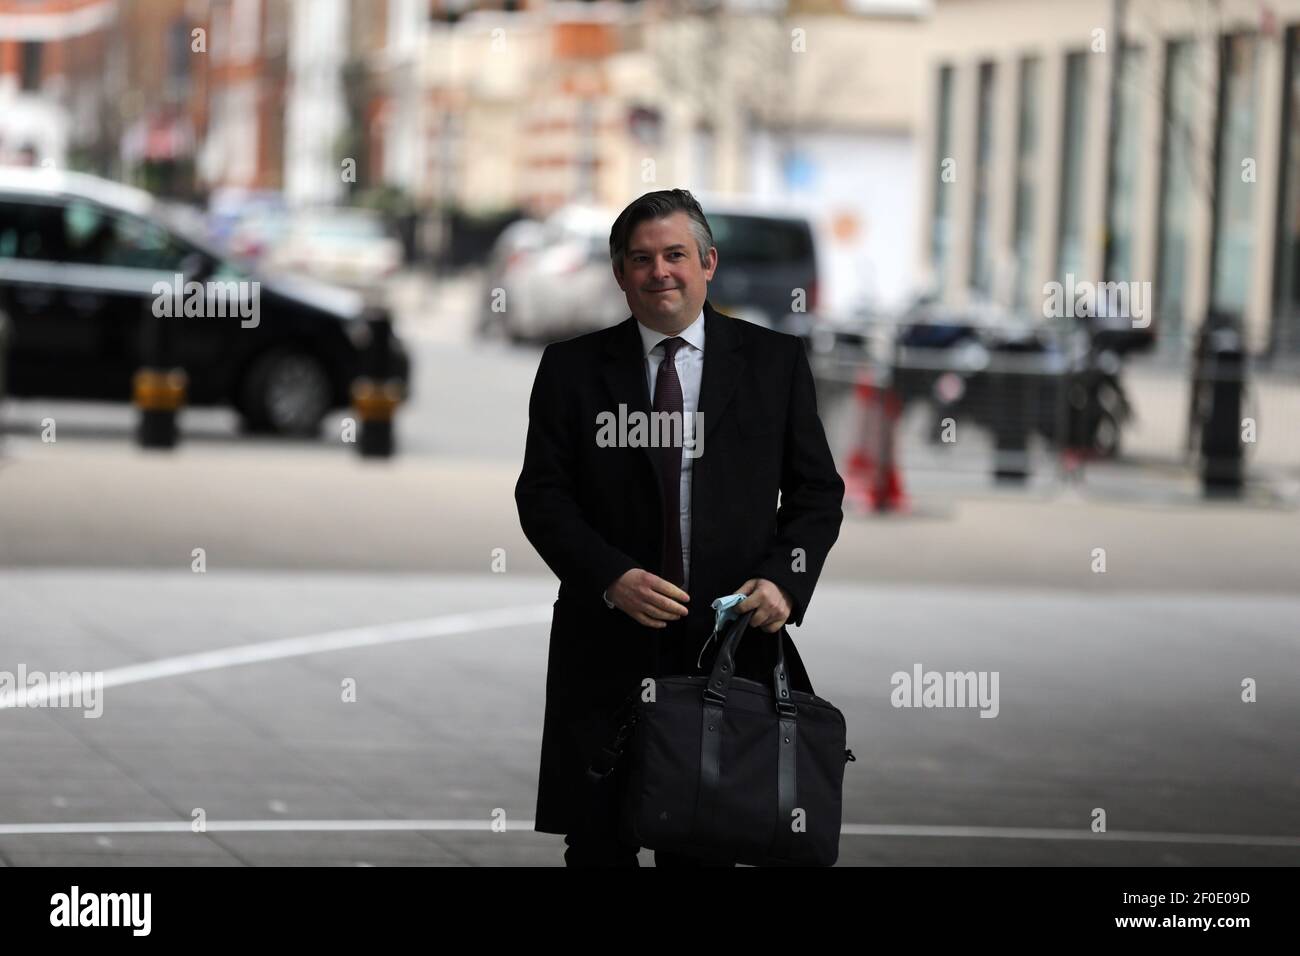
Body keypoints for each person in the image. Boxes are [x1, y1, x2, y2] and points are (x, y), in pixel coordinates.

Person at [515, 188, 844, 866]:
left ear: (708, 263)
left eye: (675, 255)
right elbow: (543, 496)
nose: (659, 271)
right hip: (605, 642)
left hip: (725, 644)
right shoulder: (571, 369)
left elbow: (817, 494)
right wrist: (611, 576)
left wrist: (785, 584)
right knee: (598, 842)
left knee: (705, 840)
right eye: (641, 258)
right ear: (619, 272)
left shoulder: (774, 364)